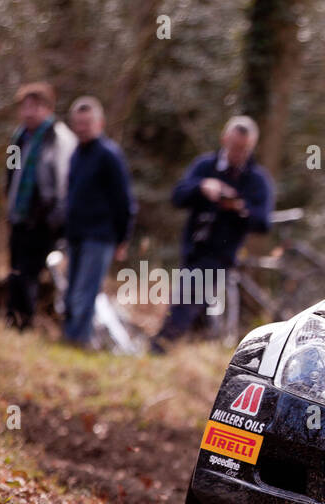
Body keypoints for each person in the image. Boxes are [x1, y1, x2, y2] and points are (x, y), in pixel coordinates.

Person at [152, 116, 274, 353]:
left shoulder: (257, 179)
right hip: (193, 247)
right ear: (224, 139)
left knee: (188, 299)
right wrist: (202, 188)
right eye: (234, 147)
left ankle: (159, 348)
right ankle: (201, 351)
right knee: (200, 307)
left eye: (244, 149)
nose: (238, 153)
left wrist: (239, 207)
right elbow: (177, 196)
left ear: (252, 147)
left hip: (222, 252)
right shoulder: (204, 166)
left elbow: (263, 222)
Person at [63, 96, 135, 347]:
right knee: (71, 292)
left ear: (100, 123)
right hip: (76, 235)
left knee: (85, 292)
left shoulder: (109, 156)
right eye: (78, 123)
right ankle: (70, 337)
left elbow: (124, 201)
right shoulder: (76, 155)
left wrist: (123, 238)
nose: (82, 128)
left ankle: (77, 341)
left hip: (100, 236)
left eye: (87, 123)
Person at [4, 82, 76, 331]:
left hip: (44, 220)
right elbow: (11, 173)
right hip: (18, 216)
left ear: (47, 108)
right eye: (24, 108)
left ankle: (25, 324)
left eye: (34, 108)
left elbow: (64, 181)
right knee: (15, 271)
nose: (28, 113)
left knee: (29, 273)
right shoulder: (18, 137)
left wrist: (55, 217)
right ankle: (14, 321)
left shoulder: (59, 138)